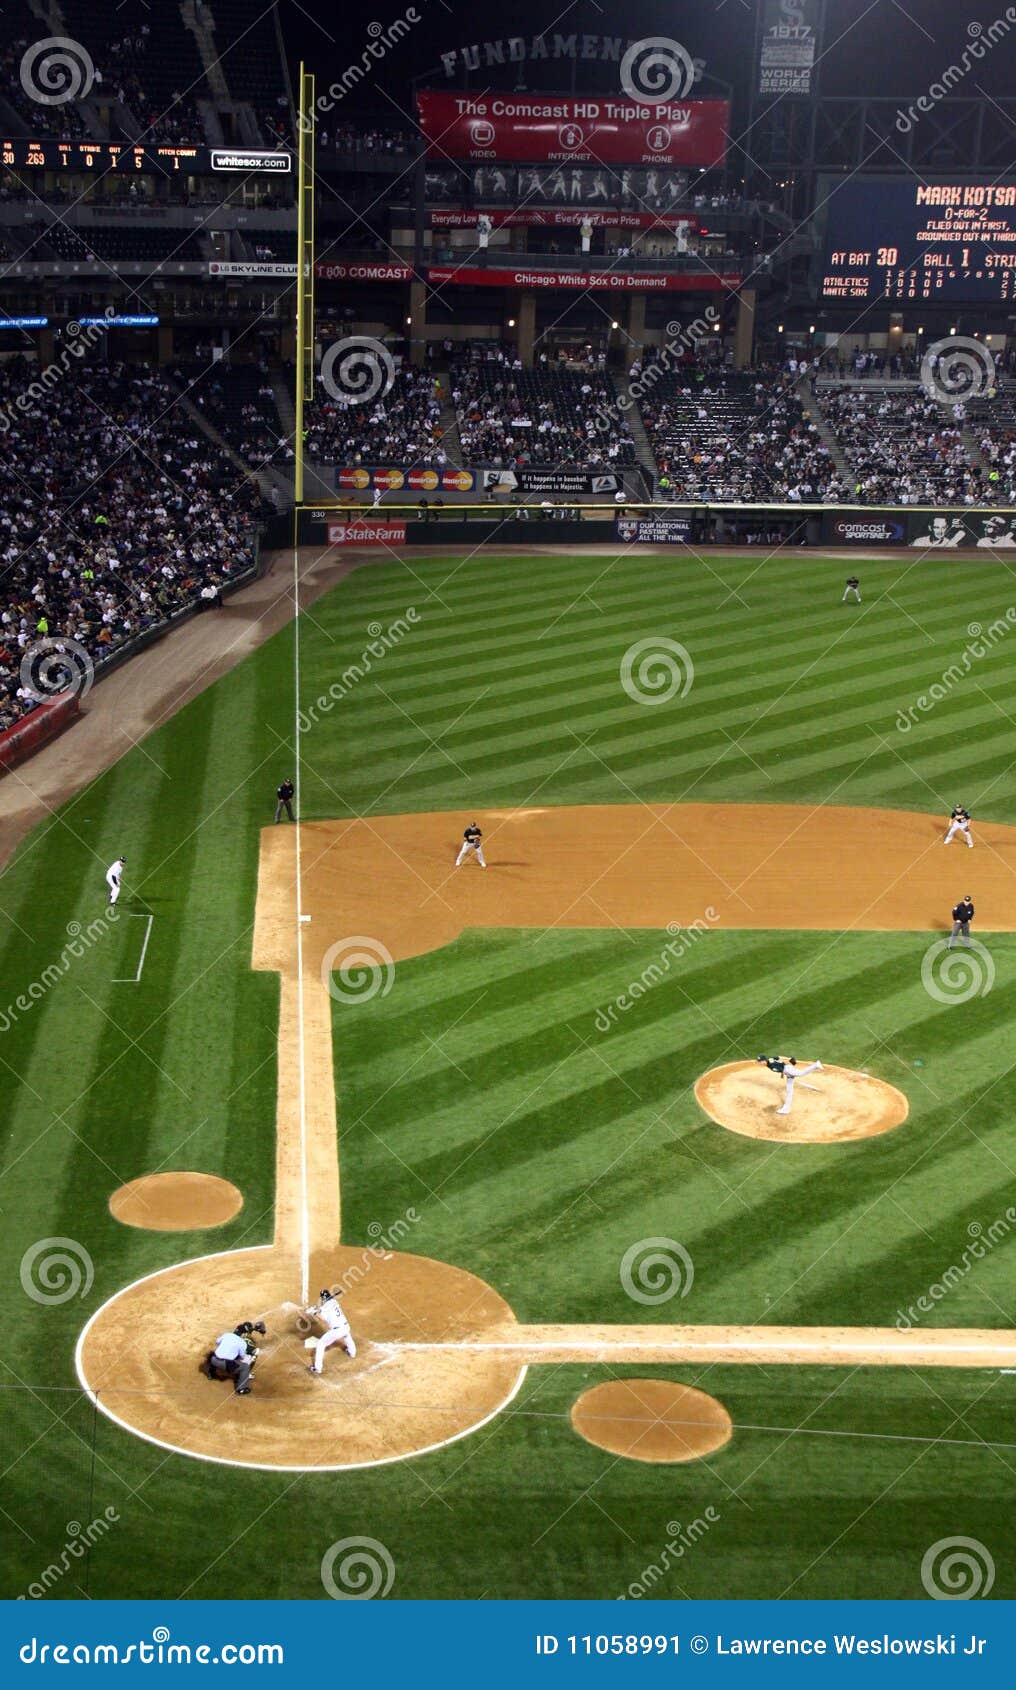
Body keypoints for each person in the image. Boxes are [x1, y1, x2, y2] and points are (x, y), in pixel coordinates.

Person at [304, 1288, 356, 1374]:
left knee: (321, 1344)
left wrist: (314, 1312)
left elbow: (323, 1318)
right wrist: (317, 1309)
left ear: (323, 1298)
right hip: (346, 1327)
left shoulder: (325, 1307)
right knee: (347, 1335)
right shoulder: (334, 1302)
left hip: (337, 1331)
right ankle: (352, 1352)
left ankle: (317, 1368)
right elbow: (325, 1307)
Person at [207, 1321, 265, 1395]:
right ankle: (241, 1389)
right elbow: (242, 1356)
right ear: (243, 1334)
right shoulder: (242, 1342)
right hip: (225, 1364)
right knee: (245, 1367)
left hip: (213, 1359)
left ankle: (211, 1374)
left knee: (217, 1353)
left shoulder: (227, 1334)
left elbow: (217, 1342)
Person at [756, 1053, 824, 1117]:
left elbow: (781, 1067)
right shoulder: (770, 1060)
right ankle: (786, 1109)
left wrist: (785, 1069)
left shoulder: (771, 1065)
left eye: (760, 1061)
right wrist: (789, 1059)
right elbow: (779, 1058)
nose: (759, 1063)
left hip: (788, 1070)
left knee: (801, 1073)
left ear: (764, 1060)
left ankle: (816, 1065)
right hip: (787, 1070)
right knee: (789, 1091)